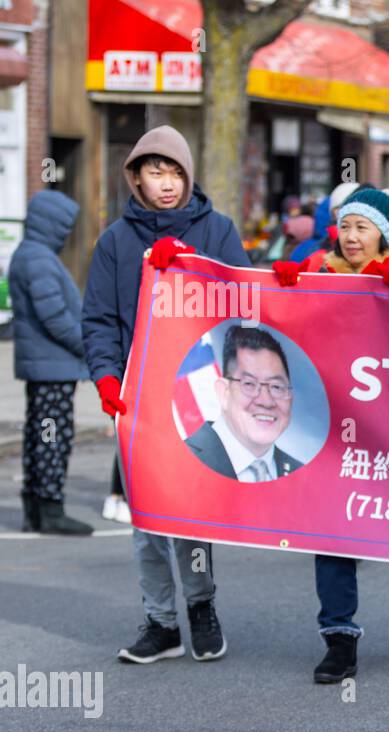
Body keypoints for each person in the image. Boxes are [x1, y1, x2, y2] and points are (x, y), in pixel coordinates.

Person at [82, 125, 251, 665]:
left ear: (189, 175)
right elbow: (100, 320)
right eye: (155, 171)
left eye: (175, 171)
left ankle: (201, 606)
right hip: (138, 401)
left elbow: (246, 304)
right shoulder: (114, 241)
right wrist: (108, 377)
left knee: (190, 514)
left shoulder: (217, 230)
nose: (167, 182)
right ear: (136, 178)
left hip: (199, 395)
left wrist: (187, 269)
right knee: (147, 517)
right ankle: (161, 621)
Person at [274, 188, 389, 684]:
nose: (351, 237)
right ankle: (339, 637)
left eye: (363, 228)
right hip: (330, 430)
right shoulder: (318, 276)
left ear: (385, 237)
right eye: (345, 226)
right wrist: (280, 291)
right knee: (332, 531)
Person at [10, 190, 93, 535]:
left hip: (45, 366)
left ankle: (37, 508)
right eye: (65, 226)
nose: (67, 234)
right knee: (52, 436)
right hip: (52, 368)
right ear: (52, 225)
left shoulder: (30, 255)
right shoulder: (40, 259)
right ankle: (50, 509)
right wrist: (87, 345)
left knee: (40, 435)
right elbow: (54, 316)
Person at [184, 326, 303, 480]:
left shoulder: (304, 475)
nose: (266, 401)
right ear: (223, 392)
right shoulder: (179, 462)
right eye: (249, 384)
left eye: (276, 387)